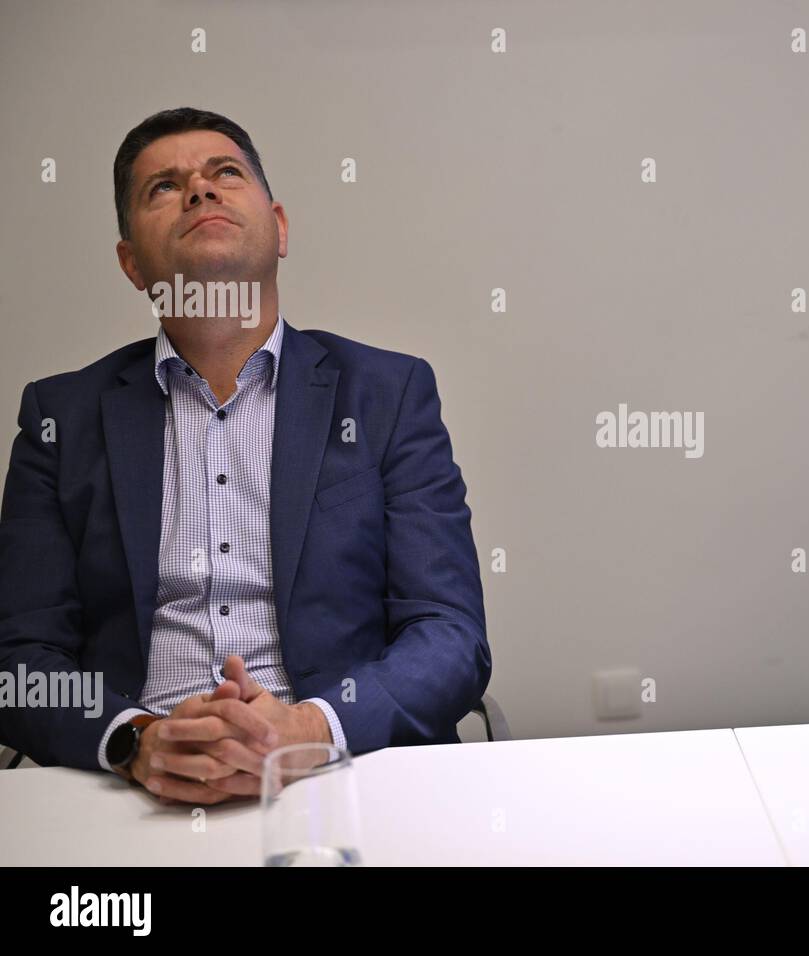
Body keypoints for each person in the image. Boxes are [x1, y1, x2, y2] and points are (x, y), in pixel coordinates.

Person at [0, 108, 490, 802]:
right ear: (132, 262)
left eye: (224, 173)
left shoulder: (388, 393)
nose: (200, 190)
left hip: (345, 773)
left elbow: (449, 635)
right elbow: (21, 659)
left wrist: (310, 729)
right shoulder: (61, 418)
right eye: (163, 187)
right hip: (135, 791)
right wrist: (136, 739)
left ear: (279, 228)